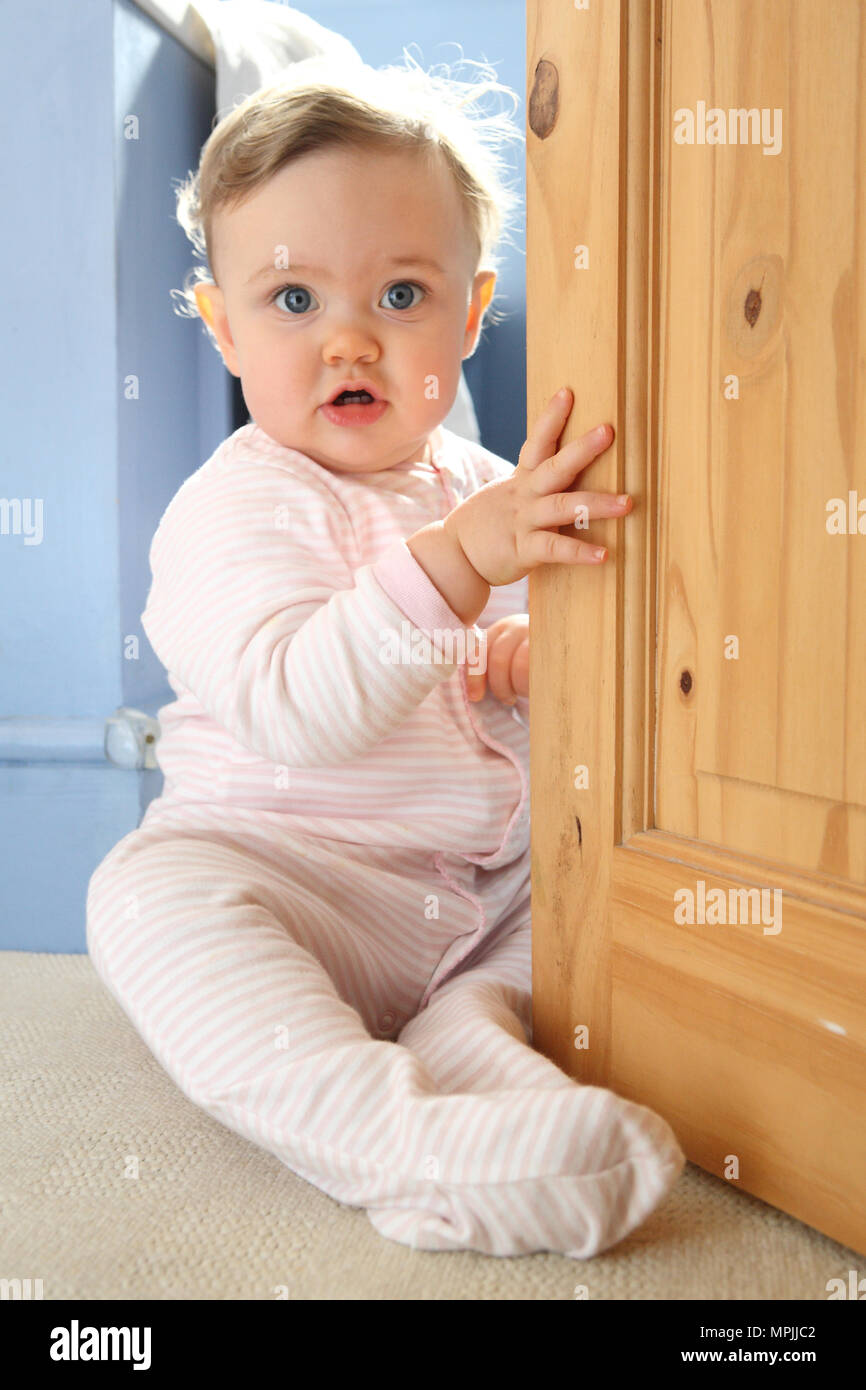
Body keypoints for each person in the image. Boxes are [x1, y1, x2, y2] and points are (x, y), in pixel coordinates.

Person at [86, 51, 684, 1260]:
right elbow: (296, 706)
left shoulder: (483, 488)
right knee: (146, 901)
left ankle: (475, 1052)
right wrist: (460, 568)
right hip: (294, 878)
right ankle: (396, 1145)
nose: (350, 339)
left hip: (476, 897)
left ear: (470, 313)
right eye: (294, 302)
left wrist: (518, 659)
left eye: (400, 297)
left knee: (571, 904)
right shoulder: (230, 510)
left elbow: (476, 670)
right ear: (223, 330)